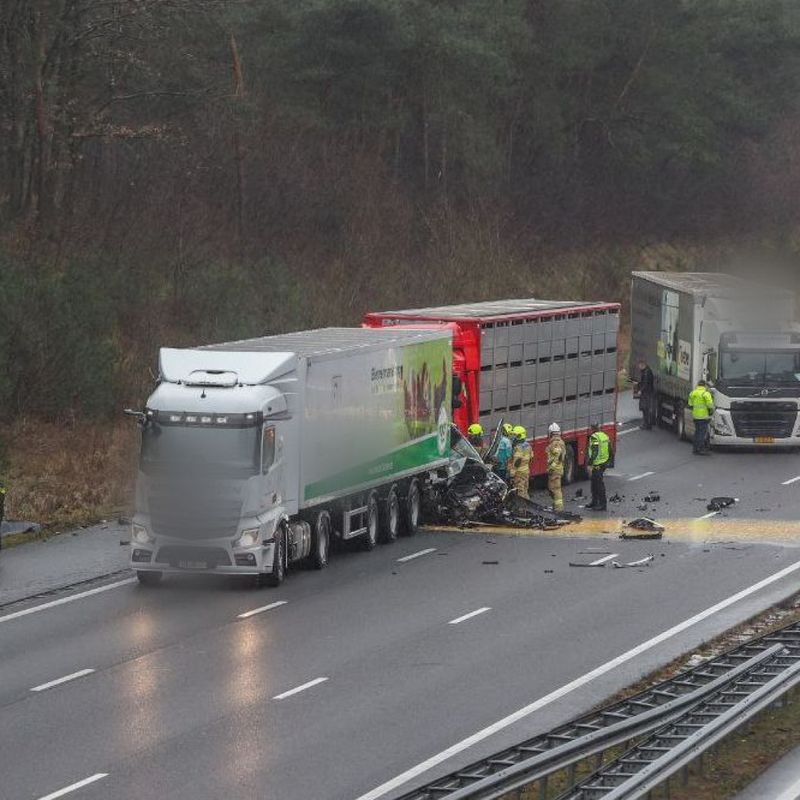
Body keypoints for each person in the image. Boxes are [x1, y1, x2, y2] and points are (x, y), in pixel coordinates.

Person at [586, 422, 612, 511]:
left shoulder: (594, 437)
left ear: (592, 429)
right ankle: (594, 502)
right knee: (594, 483)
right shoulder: (604, 436)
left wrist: (589, 464)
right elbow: (610, 449)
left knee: (598, 484)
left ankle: (602, 504)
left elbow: (594, 451)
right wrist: (609, 461)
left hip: (597, 464)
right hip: (604, 462)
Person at [688, 379, 714, 455]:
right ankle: (701, 449)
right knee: (702, 434)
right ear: (704, 385)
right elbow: (710, 405)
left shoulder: (693, 393)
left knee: (697, 432)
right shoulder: (706, 394)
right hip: (703, 417)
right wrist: (711, 410)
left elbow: (690, 404)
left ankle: (695, 449)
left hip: (695, 416)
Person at [545, 422, 566, 511]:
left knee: (555, 489)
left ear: (551, 433)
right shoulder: (560, 442)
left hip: (555, 470)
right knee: (553, 488)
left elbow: (557, 456)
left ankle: (558, 508)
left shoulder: (555, 443)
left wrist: (552, 467)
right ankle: (556, 506)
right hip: (558, 469)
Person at [510, 425, 532, 500]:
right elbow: (531, 457)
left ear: (519, 436)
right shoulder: (528, 445)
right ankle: (528, 508)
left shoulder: (519, 448)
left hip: (519, 473)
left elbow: (517, 462)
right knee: (525, 491)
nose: (514, 438)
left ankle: (522, 510)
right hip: (526, 471)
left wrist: (512, 474)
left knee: (520, 492)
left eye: (515, 436)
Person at [635, 359, 655, 430]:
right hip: (647, 392)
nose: (639, 367)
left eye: (639, 365)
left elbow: (645, 383)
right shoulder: (646, 371)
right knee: (645, 408)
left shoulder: (646, 372)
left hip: (647, 393)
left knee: (645, 408)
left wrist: (641, 390)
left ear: (642, 364)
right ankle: (647, 424)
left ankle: (646, 424)